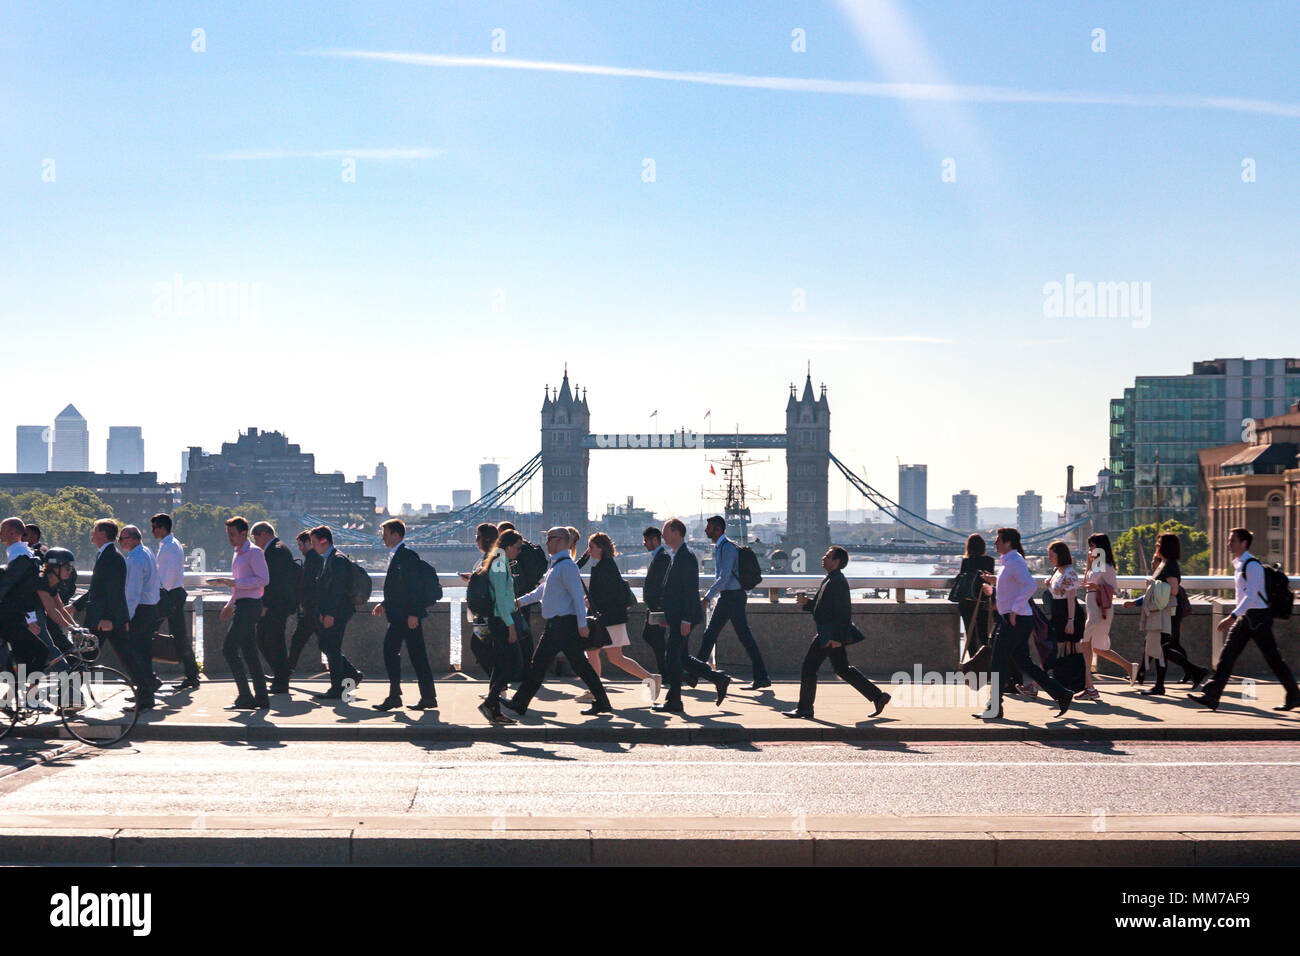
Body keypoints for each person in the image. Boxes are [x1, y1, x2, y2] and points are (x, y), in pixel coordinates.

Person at [499, 526, 612, 719]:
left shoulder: (566, 566)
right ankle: (602, 702)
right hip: (558, 625)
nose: (546, 542)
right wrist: (519, 602)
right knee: (575, 665)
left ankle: (520, 703)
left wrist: (582, 624)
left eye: (549, 538)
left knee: (540, 665)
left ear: (559, 541)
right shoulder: (558, 565)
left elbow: (577, 596)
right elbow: (541, 592)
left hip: (562, 625)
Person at [1190, 527, 1300, 712]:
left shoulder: (1252, 566)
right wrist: (1237, 615)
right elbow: (1245, 598)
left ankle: (1295, 696)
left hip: (1258, 618)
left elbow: (1250, 597)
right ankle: (1211, 695)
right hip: (1247, 617)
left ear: (1244, 543)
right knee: (1227, 657)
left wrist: (1231, 617)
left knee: (1273, 659)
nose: (1229, 544)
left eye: (1232, 540)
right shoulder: (1240, 564)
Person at [977, 527, 1073, 720]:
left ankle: (994, 707)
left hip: (1015, 619)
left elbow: (1029, 585)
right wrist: (993, 582)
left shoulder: (1014, 561)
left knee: (997, 663)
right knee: (1024, 663)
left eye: (998, 540)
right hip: (1015, 618)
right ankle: (1062, 694)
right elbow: (1013, 585)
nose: (995, 543)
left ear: (1008, 543)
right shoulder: (1009, 561)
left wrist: (1014, 609)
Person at [784, 546, 889, 719]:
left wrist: (838, 638)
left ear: (836, 561)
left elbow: (844, 612)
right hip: (829, 634)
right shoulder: (830, 579)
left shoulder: (837, 581)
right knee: (842, 669)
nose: (823, 558)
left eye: (827, 556)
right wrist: (806, 602)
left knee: (809, 668)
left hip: (830, 635)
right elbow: (821, 607)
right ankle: (878, 696)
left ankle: (805, 708)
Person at [654, 517, 730, 714]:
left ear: (676, 532)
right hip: (678, 617)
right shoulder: (677, 555)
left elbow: (689, 590)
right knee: (682, 658)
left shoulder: (685, 557)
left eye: (665, 531)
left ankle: (675, 701)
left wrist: (686, 620)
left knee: (672, 658)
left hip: (683, 618)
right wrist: (667, 616)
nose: (662, 536)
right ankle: (719, 679)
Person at [581, 532, 659, 702]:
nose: (589, 550)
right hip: (611, 618)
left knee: (612, 657)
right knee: (598, 654)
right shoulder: (607, 565)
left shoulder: (604, 567)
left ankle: (650, 678)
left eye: (591, 547)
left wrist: (591, 602)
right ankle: (596, 690)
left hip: (609, 620)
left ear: (600, 548)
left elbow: (608, 595)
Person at [1126, 532, 1208, 696]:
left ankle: (1191, 673)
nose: (1156, 546)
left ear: (1166, 547)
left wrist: (1153, 586)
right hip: (1163, 611)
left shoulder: (1170, 565)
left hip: (1168, 612)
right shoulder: (1164, 564)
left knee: (1162, 648)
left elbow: (1174, 589)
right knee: (1161, 648)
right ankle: (1168, 681)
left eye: (1159, 543)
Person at [370, 518, 438, 712]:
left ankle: (395, 696)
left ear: (396, 535)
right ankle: (427, 697)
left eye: (385, 533)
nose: (382, 537)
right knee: (418, 656)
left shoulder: (406, 556)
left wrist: (413, 614)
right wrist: (384, 603)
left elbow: (414, 588)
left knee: (390, 650)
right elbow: (400, 588)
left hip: (405, 616)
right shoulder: (398, 554)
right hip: (403, 614)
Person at [696, 516, 770, 690]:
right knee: (711, 635)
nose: (706, 530)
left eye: (709, 528)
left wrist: (707, 596)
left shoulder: (727, 548)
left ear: (718, 530)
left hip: (733, 597)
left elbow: (725, 577)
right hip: (729, 597)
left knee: (740, 637)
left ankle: (762, 677)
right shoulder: (723, 546)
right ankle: (695, 672)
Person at [73, 520, 138, 703]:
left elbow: (113, 590)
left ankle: (72, 699)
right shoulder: (107, 555)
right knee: (126, 657)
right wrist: (76, 605)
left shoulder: (111, 557)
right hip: (106, 618)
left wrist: (108, 618)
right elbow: (99, 589)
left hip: (103, 619)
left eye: (95, 530)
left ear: (103, 533)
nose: (92, 533)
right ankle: (146, 689)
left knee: (85, 655)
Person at [216, 516, 270, 710]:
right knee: (249, 653)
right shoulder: (237, 553)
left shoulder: (254, 553)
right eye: (228, 534)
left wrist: (235, 584)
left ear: (243, 533)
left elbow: (264, 579)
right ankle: (261, 698)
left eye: (232, 534)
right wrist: (230, 604)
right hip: (243, 605)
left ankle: (245, 696)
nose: (230, 538)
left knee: (229, 649)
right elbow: (238, 585)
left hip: (250, 606)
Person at [1078, 533, 1136, 699]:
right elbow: (1086, 583)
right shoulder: (1096, 565)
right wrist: (1089, 564)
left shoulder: (1108, 567)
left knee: (1085, 643)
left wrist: (1096, 587)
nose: (1090, 549)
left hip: (1099, 610)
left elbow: (1113, 590)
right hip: (1092, 607)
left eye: (1092, 546)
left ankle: (1088, 686)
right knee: (1097, 647)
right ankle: (1129, 667)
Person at [311, 525, 364, 700]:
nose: (313, 546)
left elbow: (337, 590)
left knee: (332, 648)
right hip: (329, 610)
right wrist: (321, 611)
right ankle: (352, 675)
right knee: (327, 645)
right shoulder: (328, 559)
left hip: (338, 611)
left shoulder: (338, 560)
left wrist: (330, 614)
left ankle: (336, 688)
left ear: (324, 541)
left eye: (314, 542)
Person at [477, 529, 522, 724]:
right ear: (509, 546)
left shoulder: (500, 559)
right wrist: (511, 625)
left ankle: (494, 709)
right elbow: (500, 599)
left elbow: (503, 595)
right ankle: (490, 703)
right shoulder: (498, 561)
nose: (520, 551)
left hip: (501, 619)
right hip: (501, 621)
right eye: (518, 548)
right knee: (513, 664)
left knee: (501, 665)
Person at [152, 513, 199, 689]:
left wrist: (157, 595)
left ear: (162, 528)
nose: (152, 531)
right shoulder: (171, 544)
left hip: (167, 595)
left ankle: (149, 678)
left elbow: (168, 577)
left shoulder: (169, 547)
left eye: (154, 527)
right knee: (180, 636)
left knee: (146, 633)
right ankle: (192, 675)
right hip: (174, 594)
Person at [251, 521, 297, 695]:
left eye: (256, 538)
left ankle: (282, 678)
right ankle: (281, 673)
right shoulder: (279, 548)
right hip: (278, 604)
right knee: (266, 639)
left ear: (264, 534)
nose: (256, 542)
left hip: (276, 606)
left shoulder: (275, 551)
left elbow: (275, 582)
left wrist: (266, 605)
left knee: (271, 641)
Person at [0, 516, 49, 673]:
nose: (0, 533)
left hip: (11, 615)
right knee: (27, 656)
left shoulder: (19, 555)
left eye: (3, 530)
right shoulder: (24, 553)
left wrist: (30, 619)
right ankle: (27, 693)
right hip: (14, 615)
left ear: (13, 533)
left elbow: (20, 591)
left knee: (29, 655)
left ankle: (26, 692)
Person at [119, 525, 161, 708]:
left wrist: (126, 618)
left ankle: (144, 697)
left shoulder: (134, 559)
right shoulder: (147, 552)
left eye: (123, 538)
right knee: (144, 653)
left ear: (133, 538)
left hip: (140, 611)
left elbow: (132, 593)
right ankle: (147, 690)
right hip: (151, 608)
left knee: (137, 656)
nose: (120, 542)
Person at [499, 521, 545, 670]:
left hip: (517, 597)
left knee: (519, 632)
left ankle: (520, 668)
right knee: (524, 632)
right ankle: (527, 667)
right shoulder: (529, 549)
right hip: (526, 594)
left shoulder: (515, 552)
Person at [461, 523, 501, 677]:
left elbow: (499, 585)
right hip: (484, 615)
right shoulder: (490, 557)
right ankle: (498, 688)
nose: (476, 540)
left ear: (486, 539)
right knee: (482, 647)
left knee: (480, 646)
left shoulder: (496, 558)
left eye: (478, 537)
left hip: (491, 615)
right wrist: (474, 577)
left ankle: (498, 688)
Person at [955, 534, 995, 667]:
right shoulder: (989, 560)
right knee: (984, 633)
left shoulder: (967, 561)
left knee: (970, 633)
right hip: (982, 600)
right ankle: (985, 663)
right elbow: (991, 580)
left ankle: (973, 662)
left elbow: (961, 578)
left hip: (966, 601)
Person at [35, 547, 79, 663]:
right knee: (51, 650)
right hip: (28, 618)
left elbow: (60, 607)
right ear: (55, 567)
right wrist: (70, 628)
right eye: (67, 568)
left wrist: (76, 627)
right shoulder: (41, 581)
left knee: (66, 649)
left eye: (71, 567)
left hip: (40, 618)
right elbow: (51, 610)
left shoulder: (53, 583)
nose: (70, 571)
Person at [286, 531, 321, 675]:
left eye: (301, 544)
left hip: (311, 610)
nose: (299, 548)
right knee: (326, 644)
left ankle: (285, 673)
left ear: (308, 543)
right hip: (313, 609)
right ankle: (351, 672)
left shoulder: (312, 558)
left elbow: (308, 584)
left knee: (297, 641)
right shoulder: (314, 558)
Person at [639, 526, 672, 677]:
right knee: (654, 638)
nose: (644, 543)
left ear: (655, 540)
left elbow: (660, 583)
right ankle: (666, 670)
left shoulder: (663, 557)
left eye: (646, 540)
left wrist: (657, 605)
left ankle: (668, 671)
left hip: (658, 606)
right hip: (654, 606)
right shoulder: (658, 556)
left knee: (654, 637)